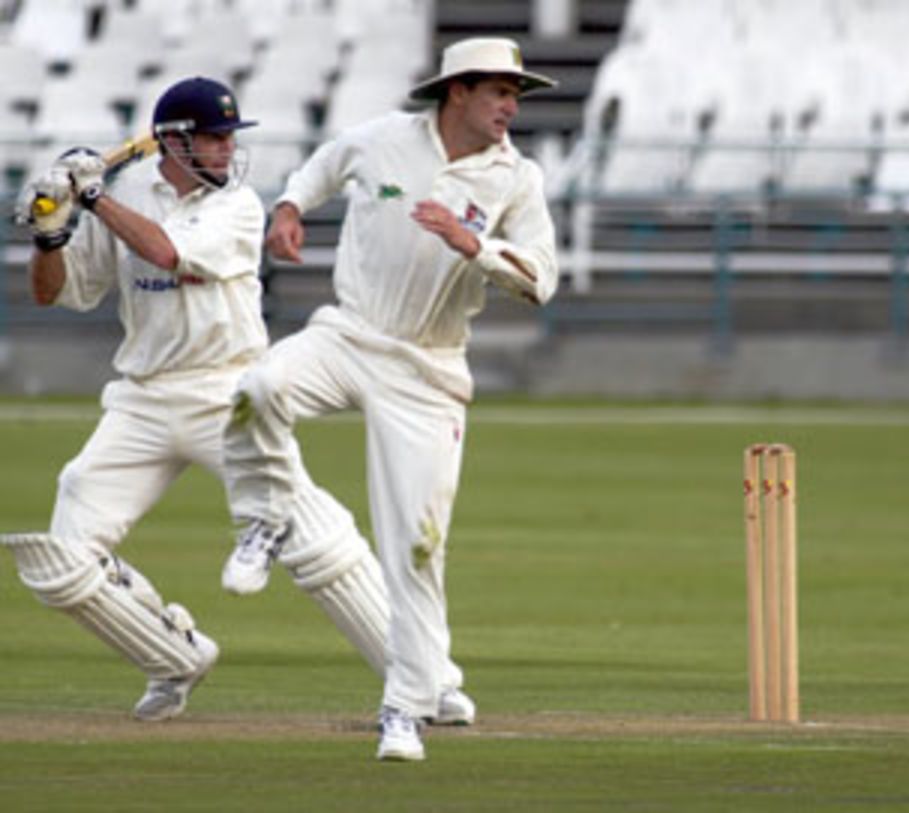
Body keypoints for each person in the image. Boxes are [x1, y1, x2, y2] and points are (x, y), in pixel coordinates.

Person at [0, 76, 391, 722]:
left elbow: (166, 250)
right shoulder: (126, 192)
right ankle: (174, 657)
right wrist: (50, 230)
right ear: (174, 144)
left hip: (227, 392)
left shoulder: (238, 207)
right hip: (143, 398)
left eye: (228, 138)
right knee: (62, 560)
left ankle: (420, 681)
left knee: (311, 536)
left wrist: (91, 197)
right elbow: (55, 292)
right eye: (212, 138)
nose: (225, 151)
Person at [220, 37, 560, 761]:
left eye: (516, 93)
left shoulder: (515, 179)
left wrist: (477, 249)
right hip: (349, 334)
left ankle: (407, 705)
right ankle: (266, 517)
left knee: (415, 546)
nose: (511, 105)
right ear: (457, 92)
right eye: (499, 91)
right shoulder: (381, 139)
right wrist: (289, 206)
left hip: (428, 370)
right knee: (256, 389)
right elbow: (322, 165)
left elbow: (543, 279)